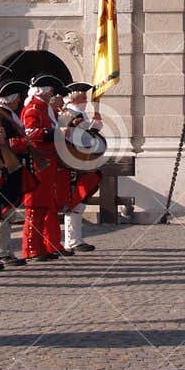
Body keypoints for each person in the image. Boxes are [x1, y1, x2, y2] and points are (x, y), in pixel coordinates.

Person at [17, 76, 66, 263]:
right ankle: (31, 249)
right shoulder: (33, 108)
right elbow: (30, 133)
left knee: (45, 204)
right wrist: (55, 133)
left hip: (47, 162)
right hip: (39, 162)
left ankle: (44, 245)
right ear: (43, 90)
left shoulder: (44, 108)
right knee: (35, 206)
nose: (52, 93)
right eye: (50, 89)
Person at [55, 82, 104, 254]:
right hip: (72, 162)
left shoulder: (79, 113)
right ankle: (72, 240)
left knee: (79, 201)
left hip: (82, 160)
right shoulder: (67, 114)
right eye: (82, 97)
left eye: (85, 97)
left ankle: (75, 239)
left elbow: (88, 135)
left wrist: (95, 124)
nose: (85, 100)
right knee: (74, 201)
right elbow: (72, 138)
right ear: (73, 98)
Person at [0, 83, 26, 265]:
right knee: (2, 211)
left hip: (13, 166)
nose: (19, 99)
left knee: (9, 211)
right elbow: (3, 143)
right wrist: (22, 143)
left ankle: (5, 249)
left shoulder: (8, 114)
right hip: (5, 167)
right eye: (16, 96)